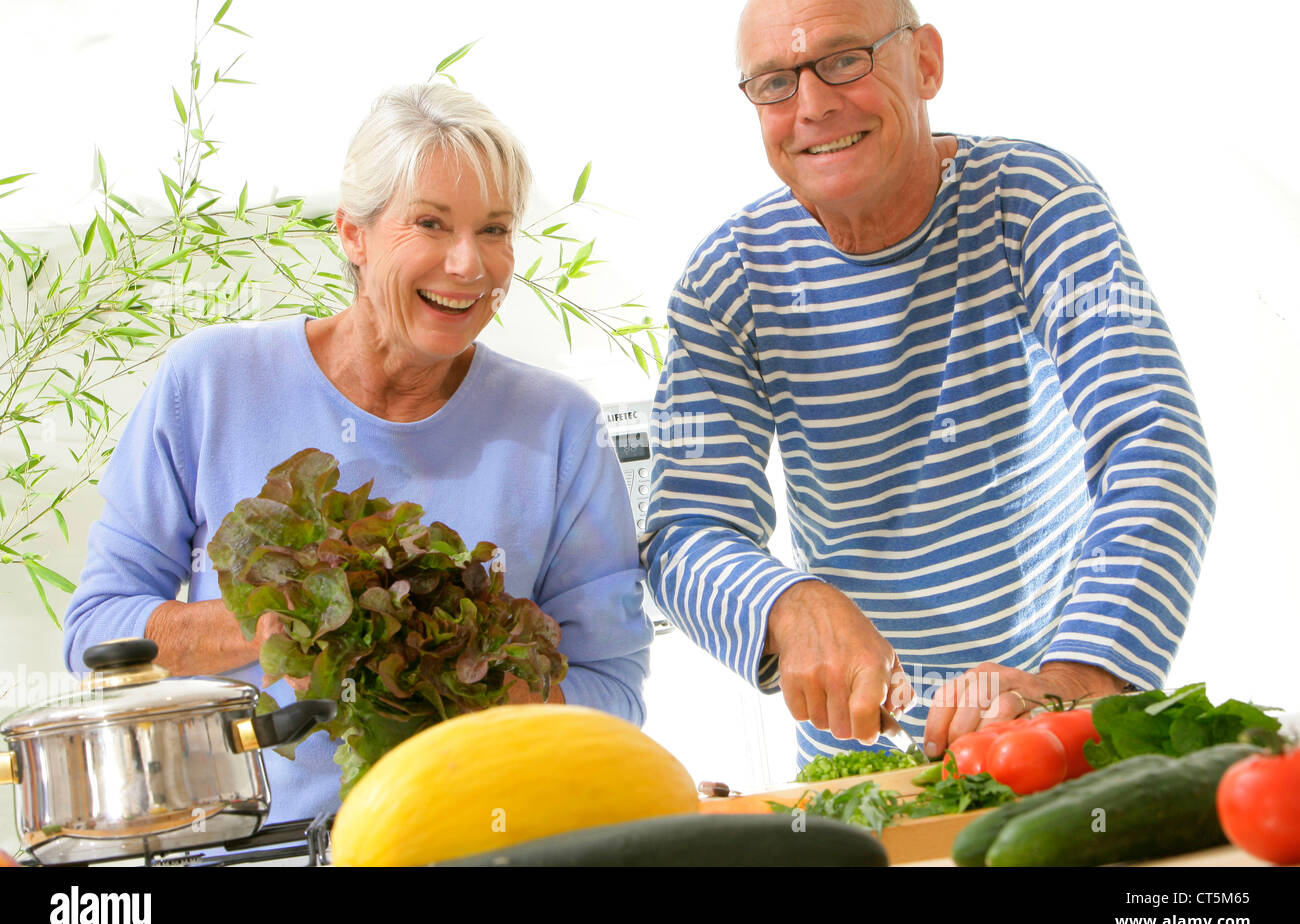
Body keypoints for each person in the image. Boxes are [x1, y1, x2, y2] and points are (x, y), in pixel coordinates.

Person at [641, 0, 1215, 770]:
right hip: (862, 750)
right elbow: (682, 531)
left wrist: (1076, 679)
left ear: (927, 63)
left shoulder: (1034, 200)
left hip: (1057, 707)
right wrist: (785, 602)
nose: (812, 105)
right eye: (776, 81)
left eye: (845, 59)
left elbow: (1154, 440)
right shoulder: (727, 281)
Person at [63, 84, 652, 823]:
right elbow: (94, 637)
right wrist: (276, 619)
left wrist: (466, 670)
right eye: (430, 223)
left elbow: (615, 693)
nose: (469, 265)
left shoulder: (559, 427)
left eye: (495, 230)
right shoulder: (209, 385)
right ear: (353, 234)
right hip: (247, 847)